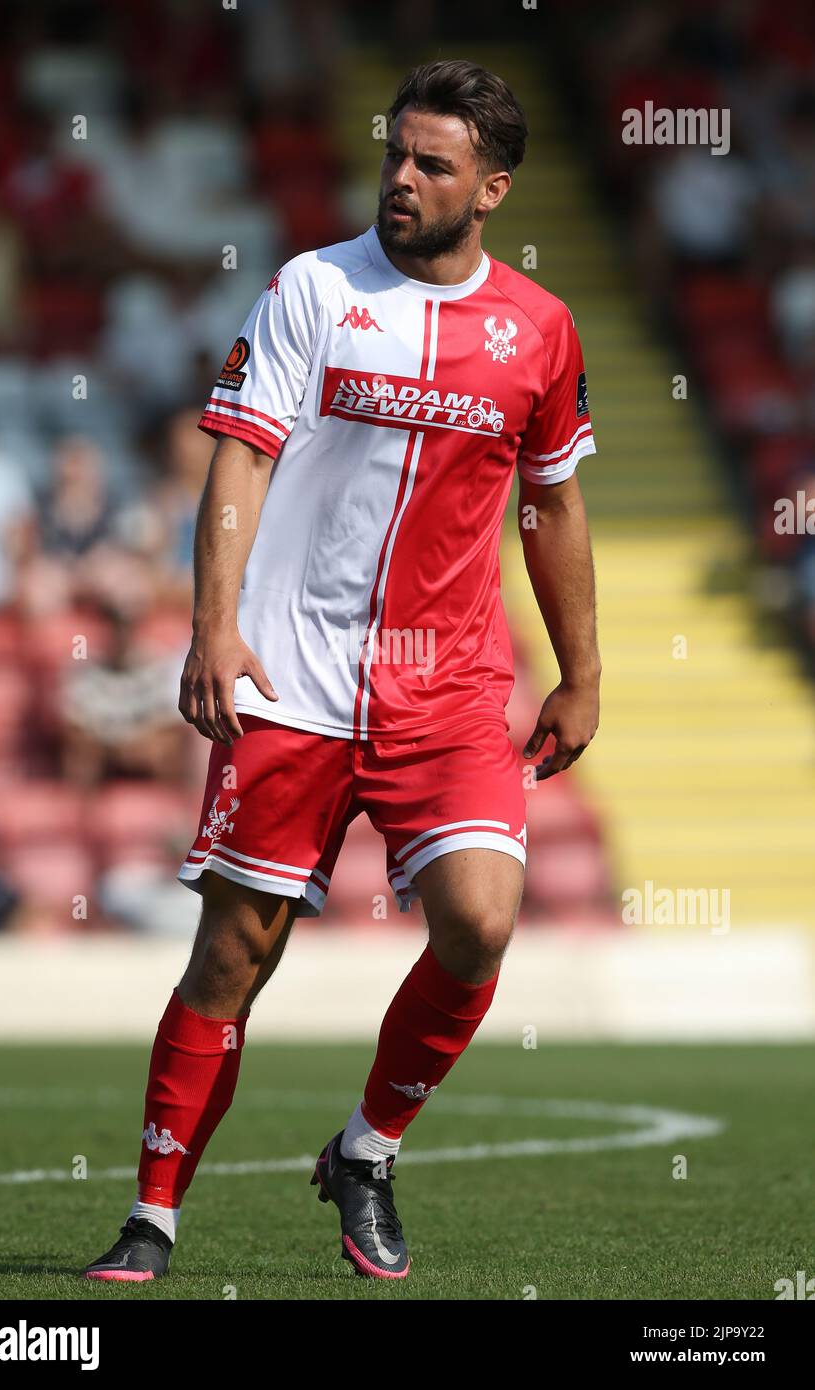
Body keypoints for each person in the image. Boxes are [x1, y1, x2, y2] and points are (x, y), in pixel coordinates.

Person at [84, 59, 601, 1284]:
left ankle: (366, 1148)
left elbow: (555, 504)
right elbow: (241, 463)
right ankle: (153, 1216)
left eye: (433, 164)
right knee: (234, 953)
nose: (403, 179)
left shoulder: (539, 328)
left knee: (481, 919)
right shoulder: (311, 288)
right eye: (395, 155)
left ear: (493, 189)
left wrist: (583, 672)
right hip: (294, 675)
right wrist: (215, 627)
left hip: (453, 681)